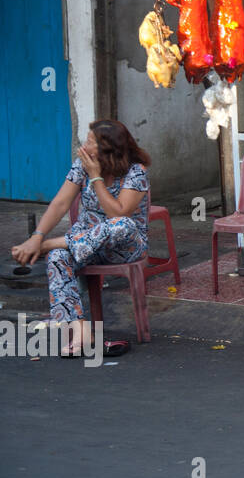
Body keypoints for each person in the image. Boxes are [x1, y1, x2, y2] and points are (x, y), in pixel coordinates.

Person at [9, 120, 151, 356]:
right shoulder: (81, 165)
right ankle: (81, 331)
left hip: (124, 245)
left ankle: (53, 244)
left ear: (107, 149)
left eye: (90, 142)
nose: (83, 146)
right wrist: (37, 236)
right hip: (85, 242)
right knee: (57, 256)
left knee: (121, 224)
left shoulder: (136, 172)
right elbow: (60, 203)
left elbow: (118, 212)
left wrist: (95, 178)